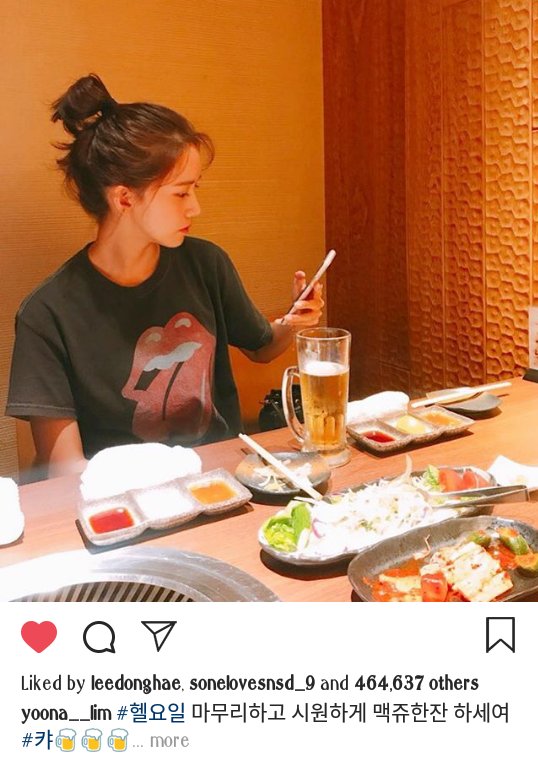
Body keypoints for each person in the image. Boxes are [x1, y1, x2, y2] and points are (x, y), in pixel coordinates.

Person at [6, 74, 324, 478]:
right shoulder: (47, 314)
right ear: (124, 198)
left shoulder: (206, 264)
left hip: (222, 482)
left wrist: (295, 321)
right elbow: (66, 471)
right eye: (181, 192)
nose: (195, 208)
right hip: (122, 497)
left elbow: (261, 347)